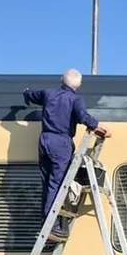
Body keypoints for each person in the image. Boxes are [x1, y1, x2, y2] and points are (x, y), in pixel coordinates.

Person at [22, 69, 111, 239]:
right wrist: (99, 126)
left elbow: (29, 94)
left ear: (62, 80)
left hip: (44, 139)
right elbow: (84, 117)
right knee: (57, 183)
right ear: (79, 85)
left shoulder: (48, 93)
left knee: (47, 182)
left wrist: (25, 94)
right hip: (61, 142)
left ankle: (47, 222)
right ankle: (52, 225)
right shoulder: (75, 99)